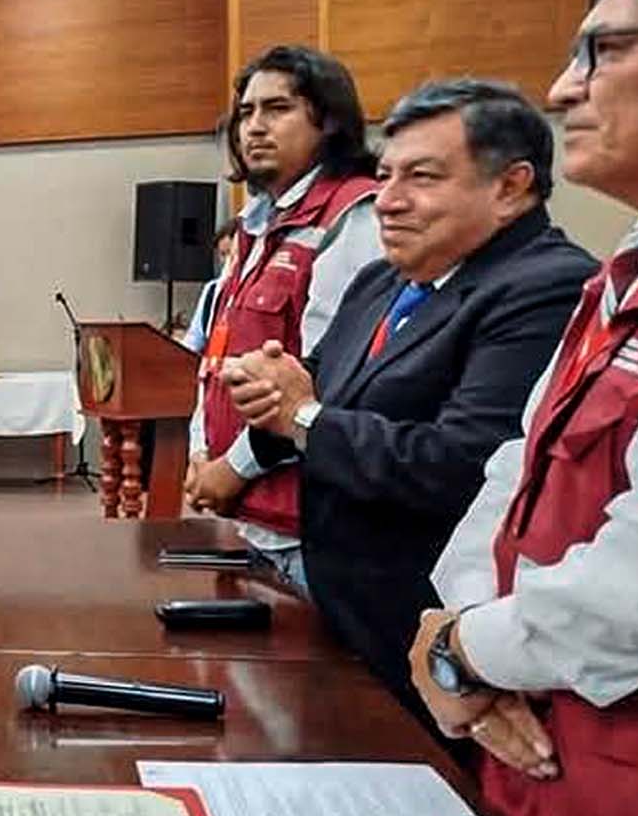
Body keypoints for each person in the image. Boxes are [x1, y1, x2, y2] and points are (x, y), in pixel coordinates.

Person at [408, 0, 638, 816]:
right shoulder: (620, 280)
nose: (562, 91)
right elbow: (509, 480)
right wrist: (460, 639)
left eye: (603, 51)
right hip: (529, 770)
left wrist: (461, 650)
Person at [222, 80, 595, 711]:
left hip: (440, 639)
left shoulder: (546, 287)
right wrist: (271, 381)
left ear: (510, 187)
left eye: (420, 178)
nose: (388, 202)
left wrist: (304, 416)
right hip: (340, 612)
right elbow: (319, 383)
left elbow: (464, 465)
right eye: (384, 176)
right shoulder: (382, 280)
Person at [184, 45, 384, 587]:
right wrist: (202, 451)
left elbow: (327, 378)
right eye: (246, 112)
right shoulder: (253, 225)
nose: (255, 127)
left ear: (330, 120)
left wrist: (234, 467)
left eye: (277, 109)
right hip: (248, 515)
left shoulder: (353, 216)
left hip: (308, 519)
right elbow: (216, 356)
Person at [182, 216, 241, 353]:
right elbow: (194, 339)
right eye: (223, 255)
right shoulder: (212, 290)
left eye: (233, 254)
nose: (228, 262)